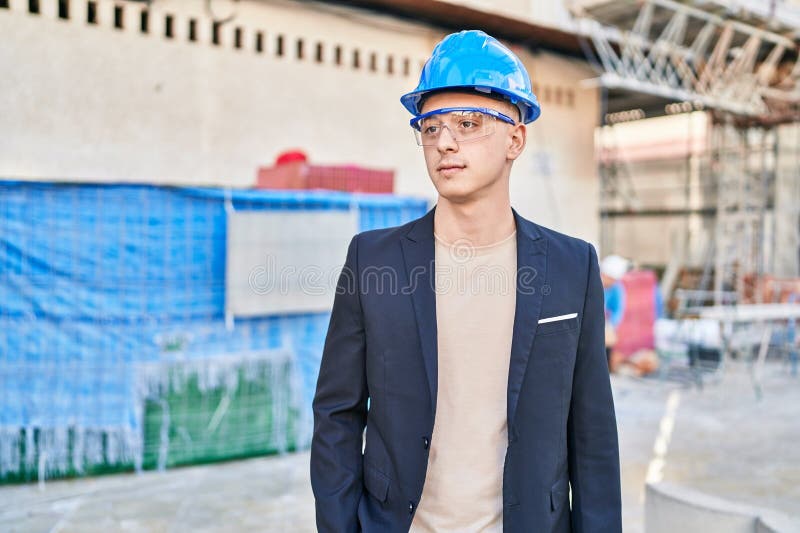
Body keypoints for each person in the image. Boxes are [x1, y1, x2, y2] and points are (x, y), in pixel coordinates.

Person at [310, 30, 622, 532]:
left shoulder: (571, 267)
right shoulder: (374, 261)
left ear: (515, 139)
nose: (445, 142)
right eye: (429, 128)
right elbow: (337, 416)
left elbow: (592, 437)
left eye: (468, 123)